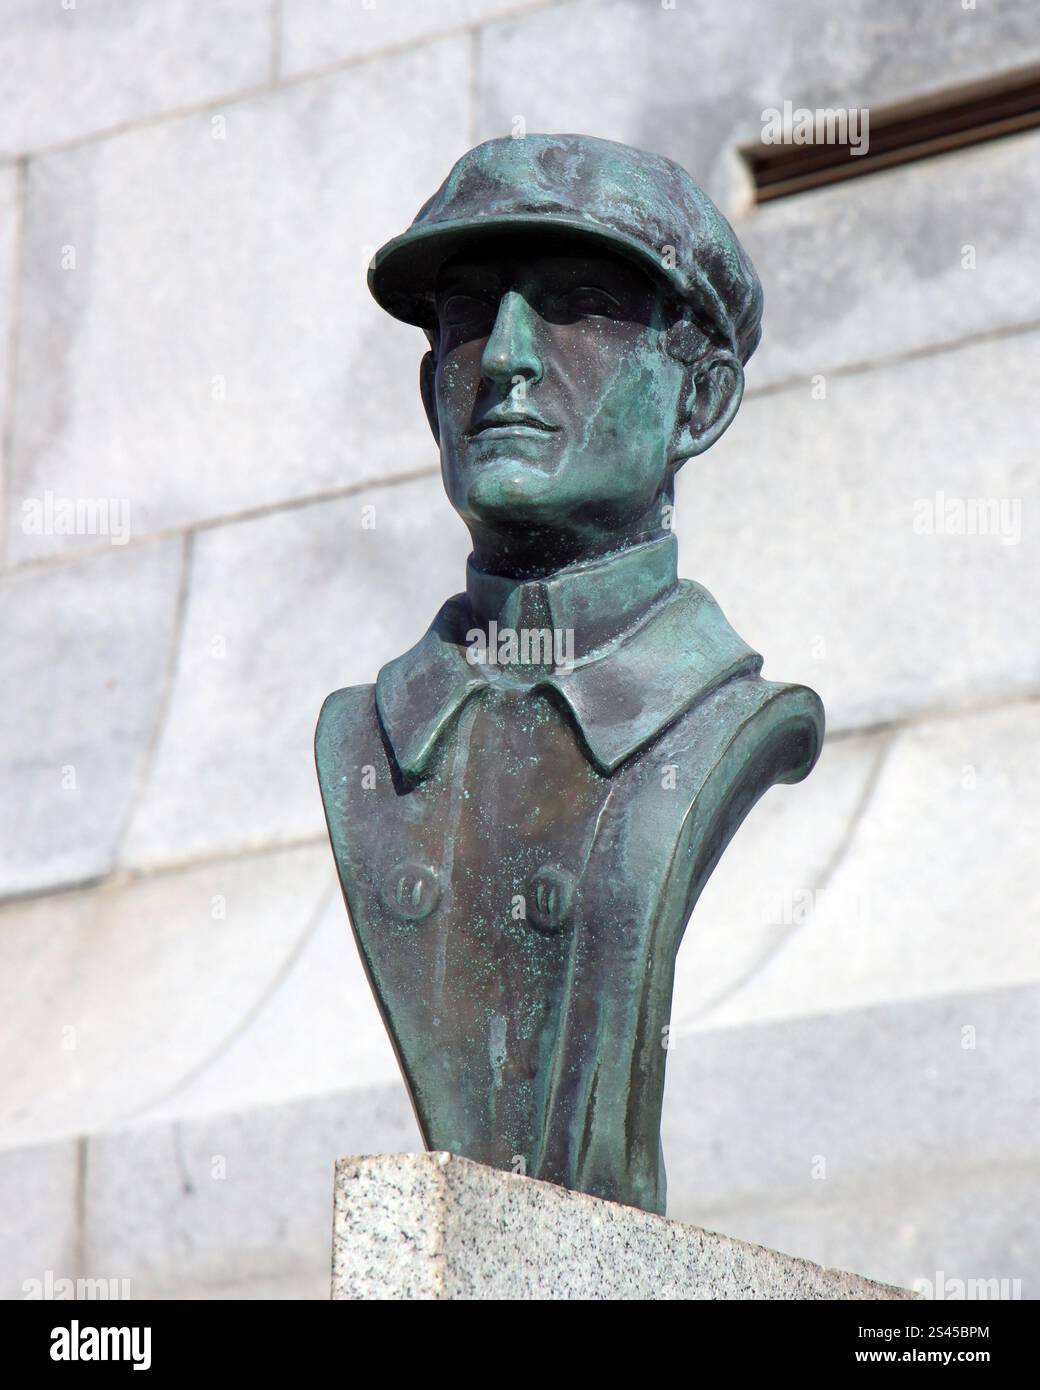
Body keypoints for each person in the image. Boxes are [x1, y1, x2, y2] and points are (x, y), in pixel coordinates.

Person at [316, 134, 823, 1215]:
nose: (501, 356)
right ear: (427, 397)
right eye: (464, 316)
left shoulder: (720, 725)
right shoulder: (364, 742)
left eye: (577, 305)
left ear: (701, 403)